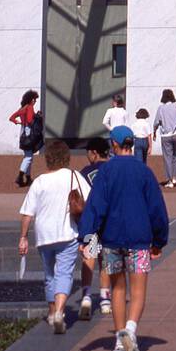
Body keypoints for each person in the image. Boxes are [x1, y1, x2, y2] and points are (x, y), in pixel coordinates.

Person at [76, 125, 170, 351]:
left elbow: (95, 207)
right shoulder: (144, 172)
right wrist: (159, 240)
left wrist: (86, 238)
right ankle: (131, 329)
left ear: (114, 145)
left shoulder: (105, 173)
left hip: (111, 239)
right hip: (139, 239)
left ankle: (119, 342)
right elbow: (157, 209)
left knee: (118, 289)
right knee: (138, 292)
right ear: (131, 144)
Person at [18, 139, 86, 334]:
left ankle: (51, 312)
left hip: (44, 235)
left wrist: (23, 237)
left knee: (49, 275)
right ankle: (60, 311)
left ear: (48, 158)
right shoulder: (74, 176)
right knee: (64, 273)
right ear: (67, 157)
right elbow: (89, 199)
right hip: (67, 233)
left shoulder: (39, 181)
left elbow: (27, 213)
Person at [78, 137, 112, 322]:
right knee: (105, 259)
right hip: (110, 222)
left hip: (91, 221)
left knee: (89, 257)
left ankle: (86, 295)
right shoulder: (114, 169)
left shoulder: (86, 172)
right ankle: (105, 299)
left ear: (94, 153)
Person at [154, 89, 176, 190]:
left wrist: (154, 132)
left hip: (166, 135)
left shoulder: (161, 108)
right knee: (175, 156)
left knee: (167, 158)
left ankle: (169, 180)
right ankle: (174, 177)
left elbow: (156, 122)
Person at [10, 90, 42, 187]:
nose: (35, 101)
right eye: (35, 99)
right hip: (29, 134)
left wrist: (18, 122)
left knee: (28, 156)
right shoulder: (30, 107)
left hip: (22, 133)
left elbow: (12, 117)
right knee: (28, 157)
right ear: (32, 99)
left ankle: (28, 178)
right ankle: (20, 177)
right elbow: (29, 120)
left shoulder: (22, 108)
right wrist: (37, 116)